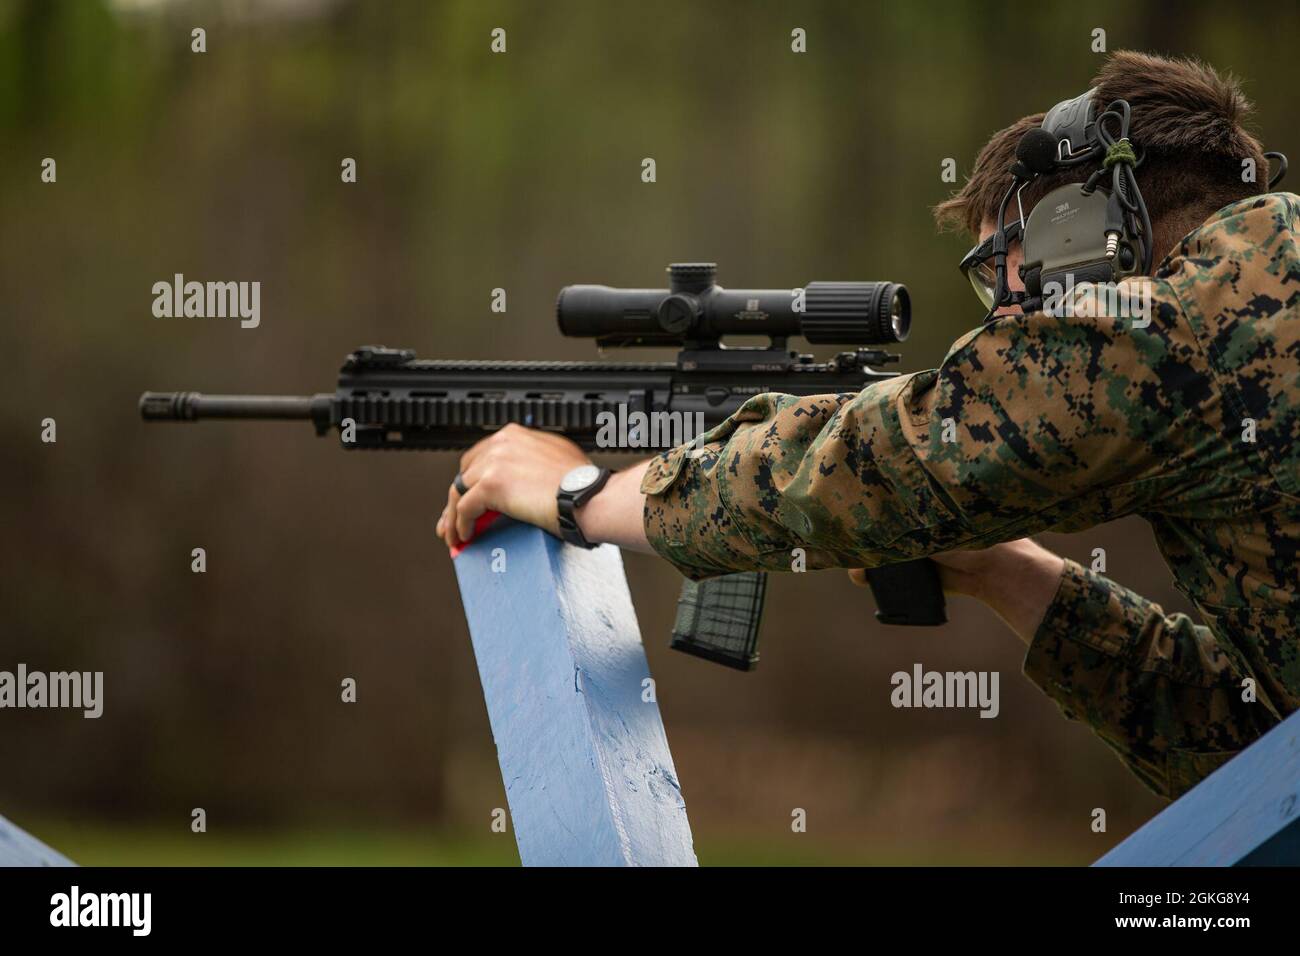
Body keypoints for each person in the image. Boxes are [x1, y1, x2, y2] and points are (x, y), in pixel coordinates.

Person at [437, 50, 1297, 800]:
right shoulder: (1243, 312)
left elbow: (879, 463)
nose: (1006, 320)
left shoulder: (1189, 316)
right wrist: (1012, 575)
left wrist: (584, 495)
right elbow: (1257, 753)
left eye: (1008, 268)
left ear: (1083, 229)